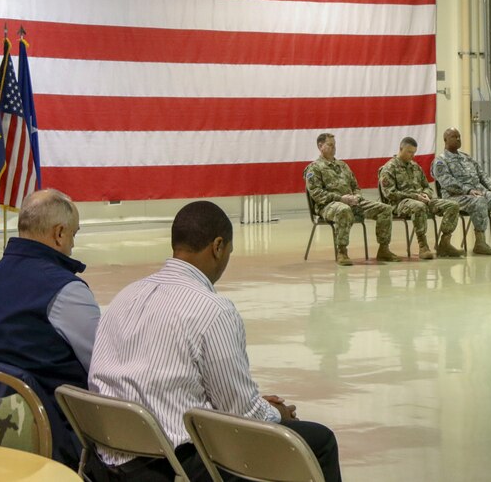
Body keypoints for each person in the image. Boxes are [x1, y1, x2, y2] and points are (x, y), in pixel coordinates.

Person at [88, 201, 342, 482]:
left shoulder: (125, 296)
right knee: (318, 441)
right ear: (218, 246)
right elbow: (242, 414)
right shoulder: (212, 310)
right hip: (170, 465)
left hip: (107, 459)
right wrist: (277, 412)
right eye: (229, 253)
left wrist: (252, 403)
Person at [0, 188, 100, 397]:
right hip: (51, 421)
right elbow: (104, 365)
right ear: (59, 233)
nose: (72, 244)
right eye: (74, 233)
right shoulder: (67, 291)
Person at [305, 132, 399, 265]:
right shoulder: (314, 168)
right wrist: (341, 198)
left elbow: (355, 186)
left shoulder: (343, 166)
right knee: (343, 210)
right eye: (330, 145)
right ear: (320, 146)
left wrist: (356, 197)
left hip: (352, 202)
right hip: (328, 206)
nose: (334, 148)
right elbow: (317, 194)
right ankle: (342, 252)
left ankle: (383, 249)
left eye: (335, 145)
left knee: (385, 209)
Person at [431, 128, 491, 255]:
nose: (458, 139)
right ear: (445, 140)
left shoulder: (466, 158)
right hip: (456, 197)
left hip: (477, 193)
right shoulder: (440, 161)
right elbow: (447, 182)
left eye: (459, 136)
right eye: (454, 136)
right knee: (479, 201)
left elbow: (482, 175)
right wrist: (468, 190)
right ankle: (480, 243)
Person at [378, 137, 463, 259]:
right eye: (409, 152)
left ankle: (445, 243)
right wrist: (415, 196)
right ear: (400, 149)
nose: (412, 155)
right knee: (419, 207)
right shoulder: (389, 168)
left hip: (422, 200)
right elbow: (389, 194)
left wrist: (426, 194)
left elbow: (427, 187)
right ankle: (423, 245)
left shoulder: (415, 167)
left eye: (414, 152)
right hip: (400, 203)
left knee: (452, 205)